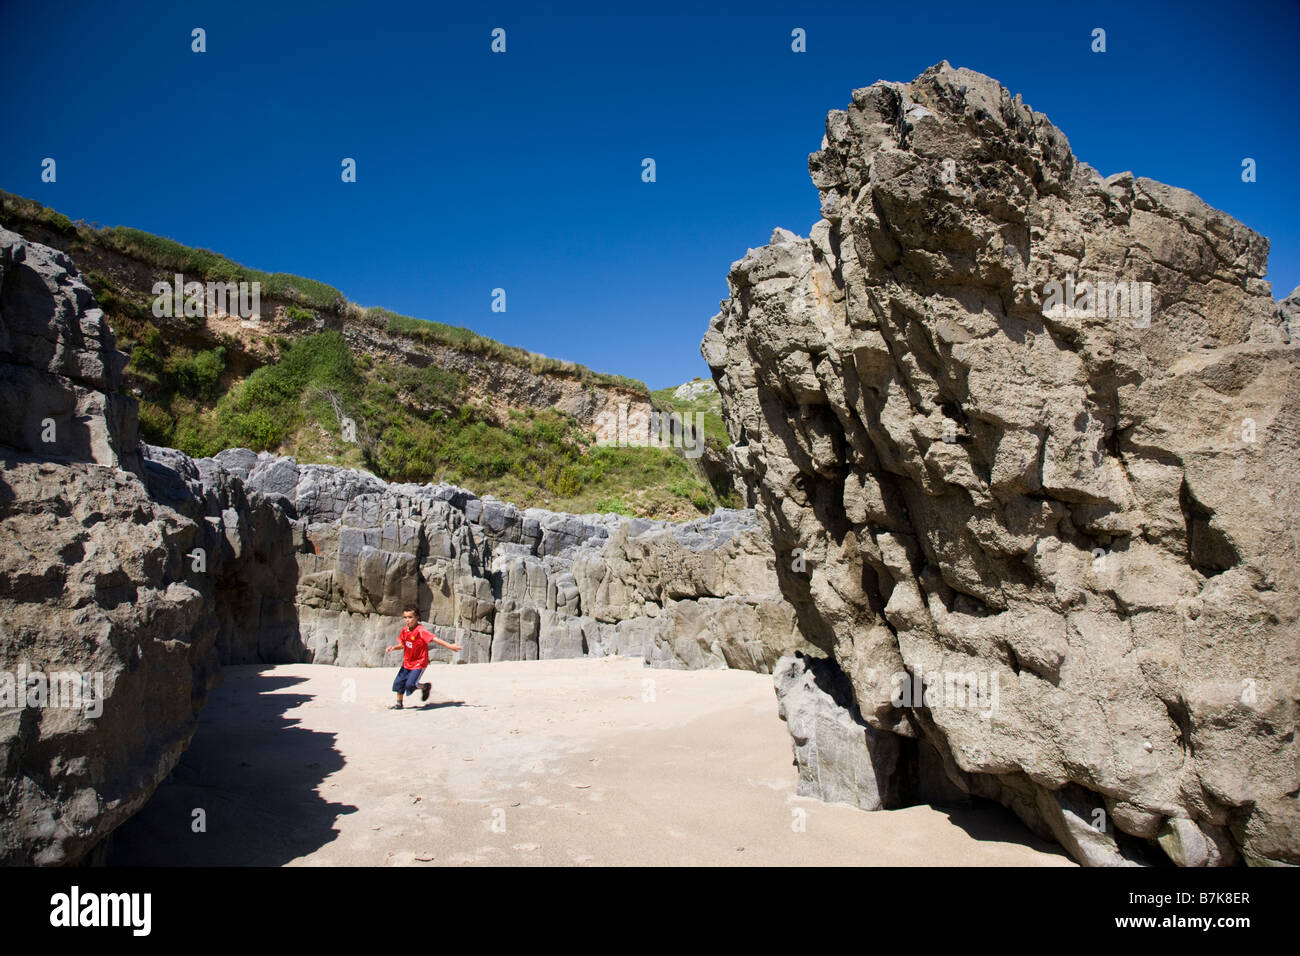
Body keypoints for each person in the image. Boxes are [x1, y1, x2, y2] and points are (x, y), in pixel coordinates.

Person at [384, 606, 462, 709]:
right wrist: (393, 647)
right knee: (399, 682)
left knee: (410, 684)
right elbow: (404, 645)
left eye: (410, 617)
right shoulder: (405, 631)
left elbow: (435, 639)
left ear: (417, 617)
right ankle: (399, 703)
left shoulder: (420, 630)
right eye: (405, 617)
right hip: (407, 663)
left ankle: (425, 687)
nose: (407, 620)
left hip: (419, 663)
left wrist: (450, 646)